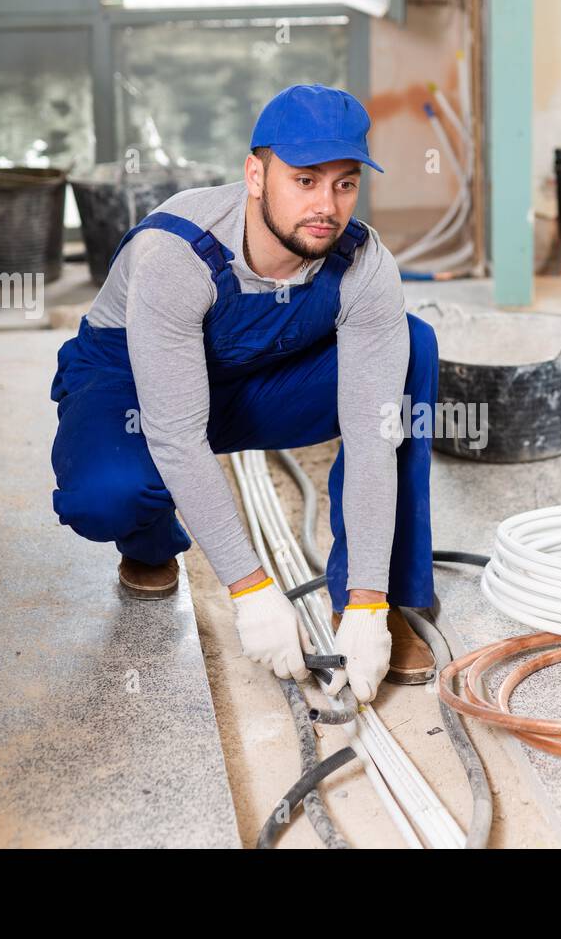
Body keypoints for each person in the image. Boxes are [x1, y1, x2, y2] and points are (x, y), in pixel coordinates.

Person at [49, 84, 438, 703]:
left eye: (344, 183)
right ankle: (148, 540)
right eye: (305, 180)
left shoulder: (364, 264)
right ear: (256, 176)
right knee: (108, 494)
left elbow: (372, 436)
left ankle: (384, 605)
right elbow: (176, 433)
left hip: (258, 380)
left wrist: (367, 595)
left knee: (412, 347)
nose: (327, 206)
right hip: (133, 384)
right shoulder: (176, 253)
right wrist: (251, 588)